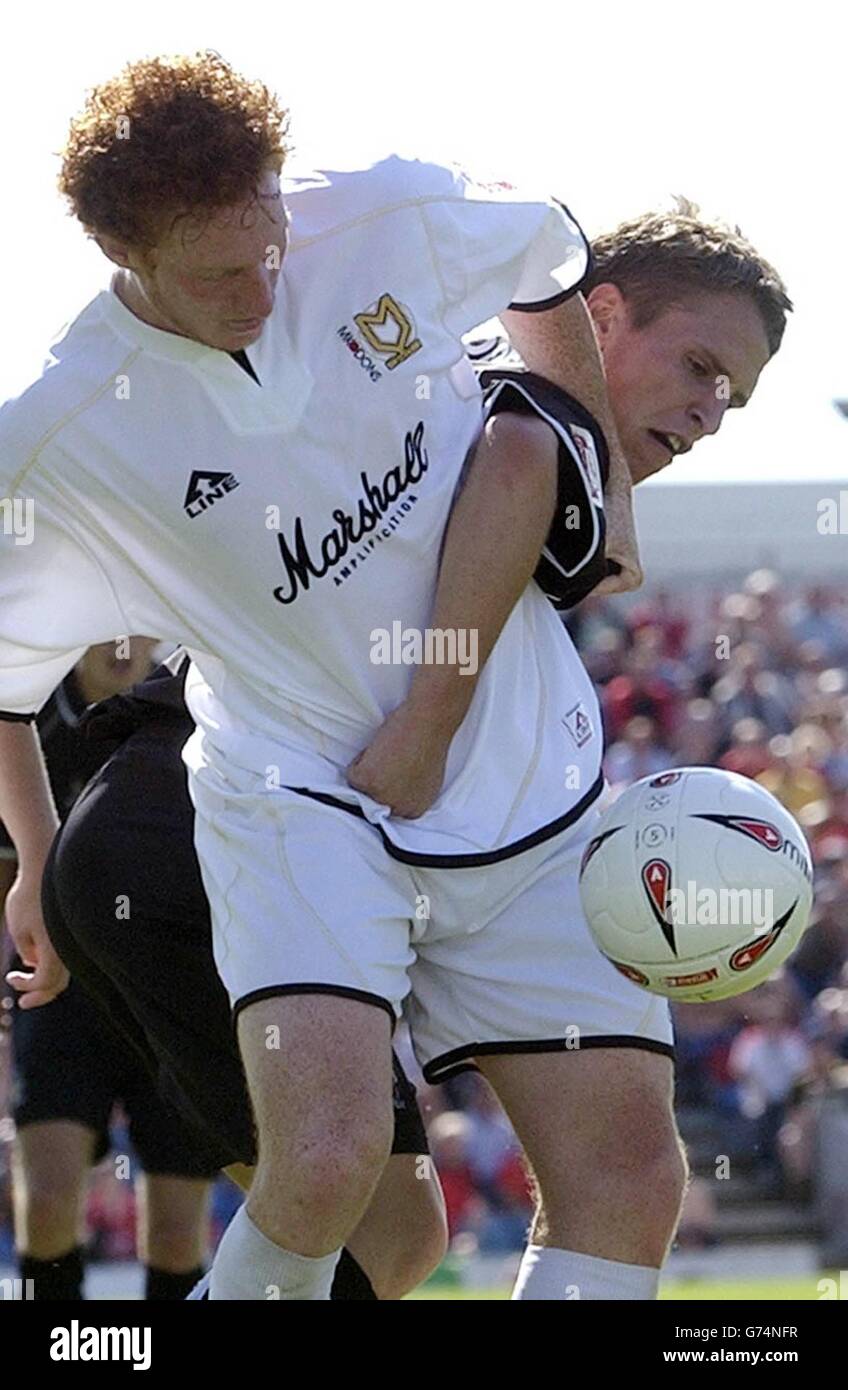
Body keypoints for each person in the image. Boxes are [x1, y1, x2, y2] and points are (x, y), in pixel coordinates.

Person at [0, 51, 788, 1300]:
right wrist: (38, 862)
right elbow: (4, 682)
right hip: (299, 798)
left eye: (269, 245)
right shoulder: (57, 434)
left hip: (527, 794)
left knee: (629, 1180)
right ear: (121, 251)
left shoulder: (381, 213)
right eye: (217, 272)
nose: (262, 286)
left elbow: (554, 269)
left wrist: (603, 469)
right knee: (325, 1170)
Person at [37, 649, 447, 1300]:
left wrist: (37, 853)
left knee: (357, 1227)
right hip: (203, 851)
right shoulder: (440, 603)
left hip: (138, 841)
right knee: (383, 1225)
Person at [1, 641, 221, 1300]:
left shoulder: (193, 710)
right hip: (60, 989)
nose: (120, 642)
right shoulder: (29, 719)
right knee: (45, 1202)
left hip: (173, 991)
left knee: (179, 1231)